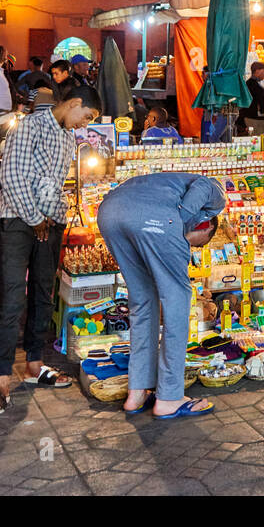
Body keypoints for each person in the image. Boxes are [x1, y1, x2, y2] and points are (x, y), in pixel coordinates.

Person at [0, 86, 101, 416]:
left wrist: (50, 218)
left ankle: (35, 365)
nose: (84, 124)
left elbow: (55, 184)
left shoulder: (66, 138)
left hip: (50, 223)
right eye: (86, 116)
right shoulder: (30, 126)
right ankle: (1, 382)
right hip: (19, 221)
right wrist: (35, 219)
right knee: (13, 297)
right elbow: (13, 177)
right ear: (74, 103)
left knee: (43, 293)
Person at [97, 173, 226, 419]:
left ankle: (136, 393)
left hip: (109, 213)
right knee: (177, 302)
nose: (193, 247)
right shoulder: (217, 197)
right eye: (198, 244)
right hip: (155, 220)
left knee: (142, 301)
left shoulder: (167, 184)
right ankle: (169, 397)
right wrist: (177, 222)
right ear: (207, 225)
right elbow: (202, 186)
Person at [236, 61, 264, 134]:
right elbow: (263, 107)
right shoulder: (257, 88)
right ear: (257, 71)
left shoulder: (246, 84)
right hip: (253, 120)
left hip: (243, 119)